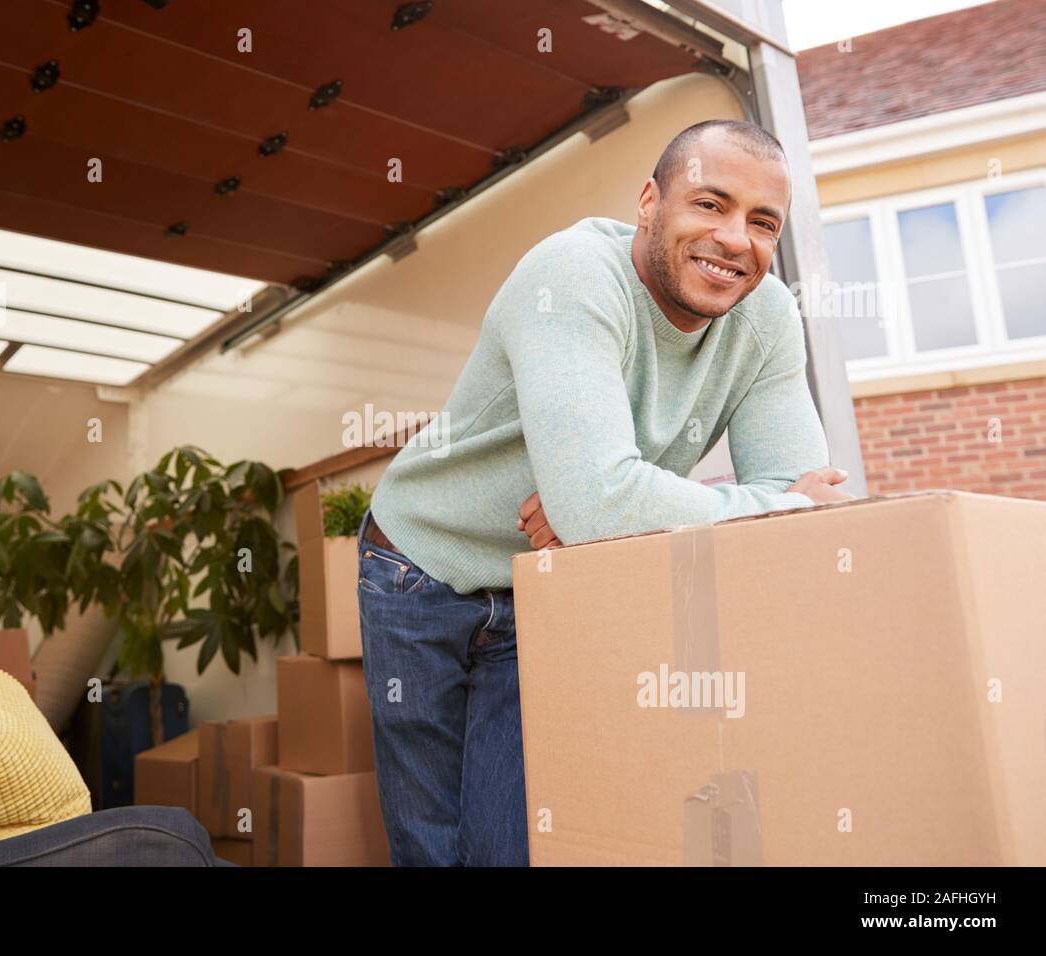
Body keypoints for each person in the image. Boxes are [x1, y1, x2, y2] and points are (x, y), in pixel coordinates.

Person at [356, 119, 854, 867]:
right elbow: (608, 504)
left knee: (511, 845)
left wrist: (620, 506)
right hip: (419, 567)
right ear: (650, 201)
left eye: (762, 222)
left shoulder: (768, 318)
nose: (734, 239)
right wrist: (617, 505)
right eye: (710, 204)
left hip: (549, 585)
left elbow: (794, 515)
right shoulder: (572, 276)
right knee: (430, 846)